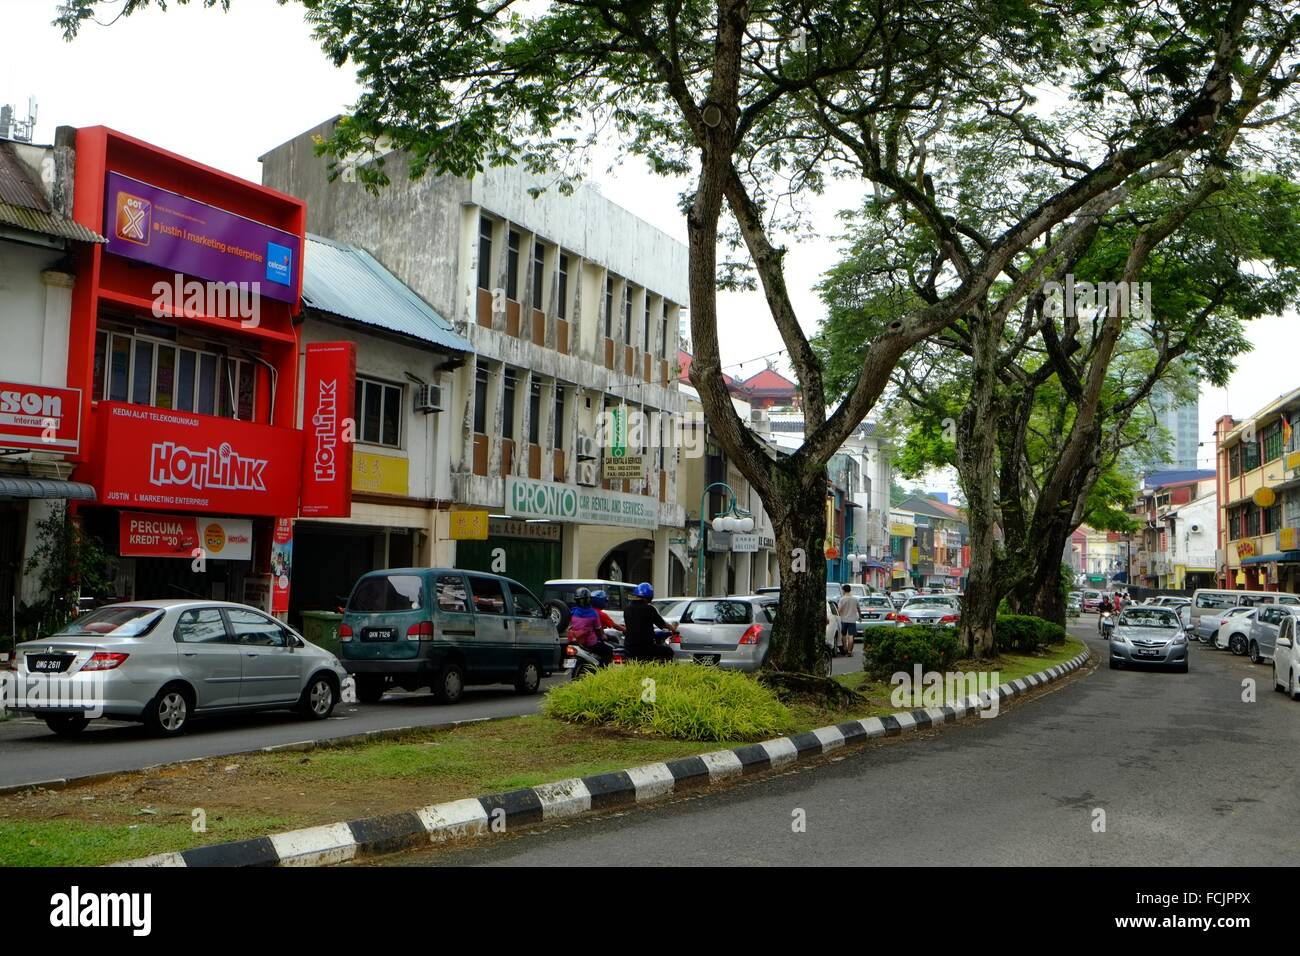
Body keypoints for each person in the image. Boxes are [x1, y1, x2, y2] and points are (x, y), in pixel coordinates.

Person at [622, 582, 676, 662]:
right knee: (668, 652)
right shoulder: (649, 609)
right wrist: (672, 628)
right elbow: (662, 624)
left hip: (629, 647)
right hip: (645, 648)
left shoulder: (627, 609)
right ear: (650, 596)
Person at [589, 589, 624, 666]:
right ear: (600, 601)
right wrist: (627, 630)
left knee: (613, 638)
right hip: (594, 640)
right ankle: (602, 670)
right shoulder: (601, 614)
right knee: (609, 650)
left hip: (584, 638)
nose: (606, 603)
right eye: (605, 601)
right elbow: (615, 626)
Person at [837, 584, 860, 656]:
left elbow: (839, 610)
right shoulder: (855, 599)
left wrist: (838, 616)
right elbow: (858, 609)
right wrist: (860, 616)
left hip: (843, 619)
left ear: (843, 590)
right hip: (852, 620)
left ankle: (845, 648)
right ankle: (850, 651)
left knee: (843, 635)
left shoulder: (842, 599)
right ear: (850, 590)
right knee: (851, 636)